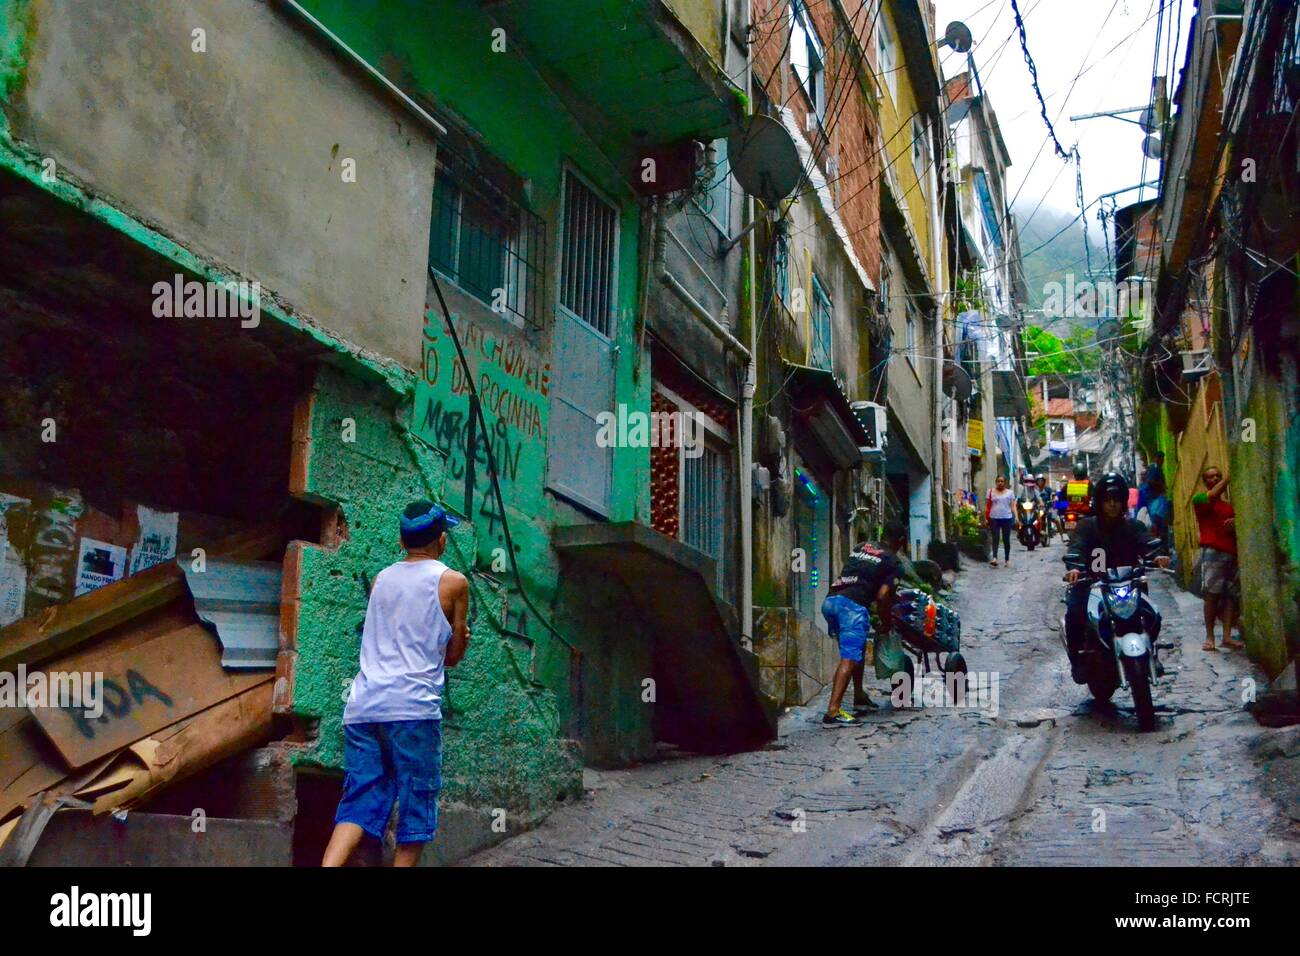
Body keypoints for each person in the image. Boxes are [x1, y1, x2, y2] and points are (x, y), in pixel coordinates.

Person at [323, 500, 471, 867]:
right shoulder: (454, 582)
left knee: (359, 802)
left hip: (363, 709)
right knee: (416, 810)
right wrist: (460, 634)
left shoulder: (380, 579)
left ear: (402, 541)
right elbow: (452, 656)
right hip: (413, 711)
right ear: (441, 541)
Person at [1062, 473, 1171, 682]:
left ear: (1122, 502)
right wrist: (1075, 568)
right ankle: (1078, 660)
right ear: (1099, 502)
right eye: (1107, 500)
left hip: (1129, 583)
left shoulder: (1133, 526)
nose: (1112, 505)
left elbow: (1146, 542)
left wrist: (1158, 557)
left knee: (1151, 613)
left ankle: (1150, 649)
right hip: (1094, 583)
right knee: (1075, 612)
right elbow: (1077, 546)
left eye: (1116, 500)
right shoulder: (1087, 526)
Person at [820, 521, 908, 726]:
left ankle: (859, 695)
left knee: (855, 650)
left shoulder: (861, 546)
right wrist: (886, 622)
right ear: (901, 541)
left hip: (831, 601)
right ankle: (833, 711)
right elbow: (883, 595)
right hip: (852, 607)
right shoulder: (893, 561)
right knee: (849, 658)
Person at [1191, 466, 1243, 652]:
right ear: (1205, 482)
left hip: (1231, 553)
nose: (1214, 479)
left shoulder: (1228, 507)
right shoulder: (1200, 499)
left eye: (1217, 476)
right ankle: (1210, 636)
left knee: (1230, 596)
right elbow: (1212, 496)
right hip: (1213, 553)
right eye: (1211, 477)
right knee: (1211, 595)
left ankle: (1227, 636)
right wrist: (1229, 477)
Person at [985, 475, 1016, 566]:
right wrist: (985, 518)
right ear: (996, 482)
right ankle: (994, 558)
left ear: (1005, 482)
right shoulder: (990, 492)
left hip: (1007, 518)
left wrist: (1016, 517)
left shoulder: (1010, 493)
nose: (1000, 483)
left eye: (1002, 481)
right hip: (994, 517)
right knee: (995, 538)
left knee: (1006, 539)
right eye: (998, 481)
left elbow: (1013, 505)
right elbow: (987, 506)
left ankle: (1007, 559)